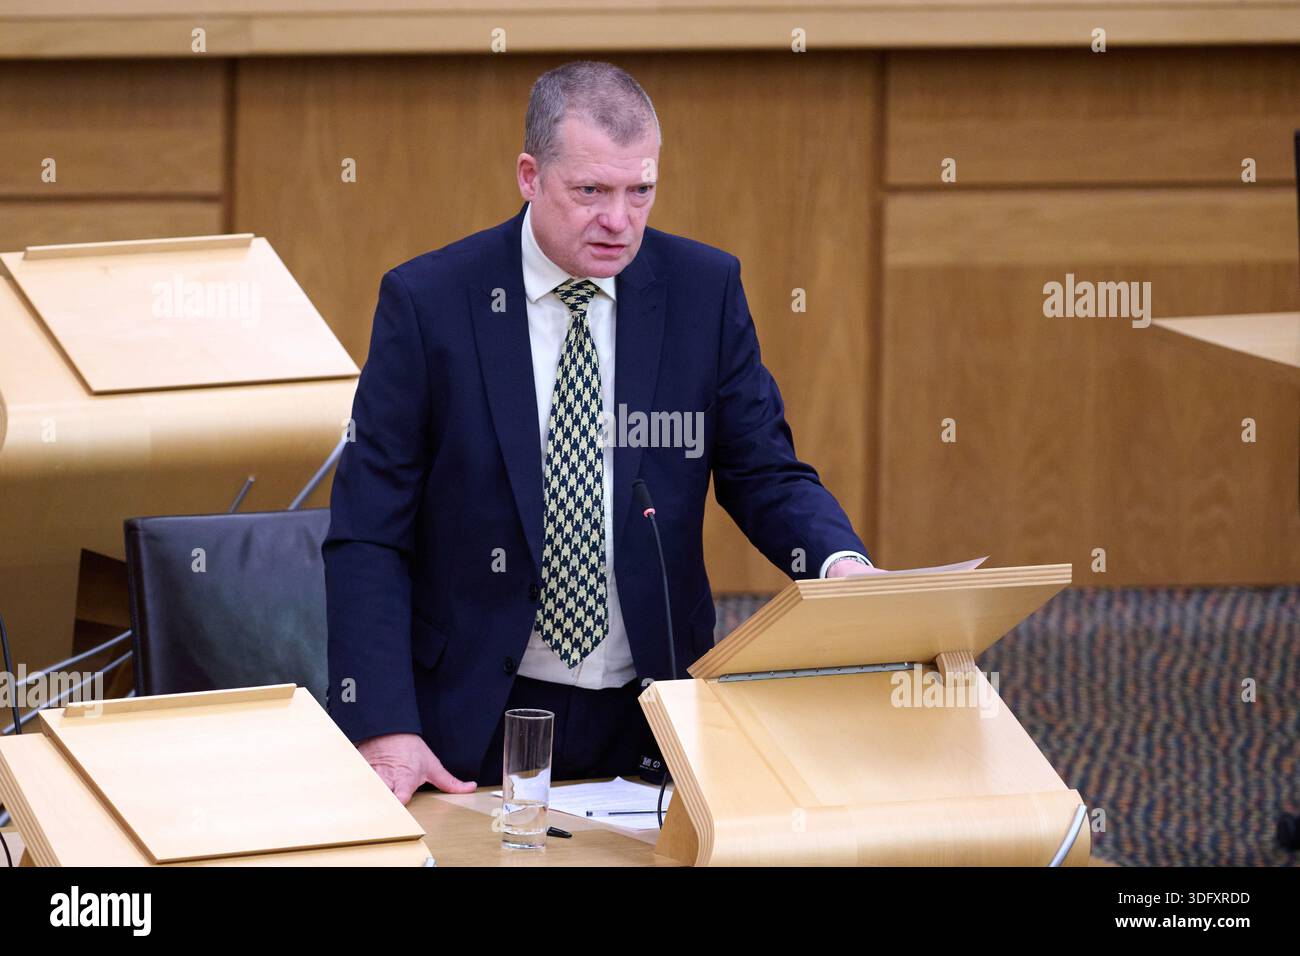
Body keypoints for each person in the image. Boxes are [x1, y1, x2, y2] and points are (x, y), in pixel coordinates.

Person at [324, 60, 879, 804]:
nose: (619, 221)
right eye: (590, 192)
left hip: (651, 710)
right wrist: (383, 724)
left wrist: (838, 564)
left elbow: (763, 471)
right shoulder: (430, 303)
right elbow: (368, 531)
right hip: (473, 713)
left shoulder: (702, 291)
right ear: (530, 176)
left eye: (639, 191)